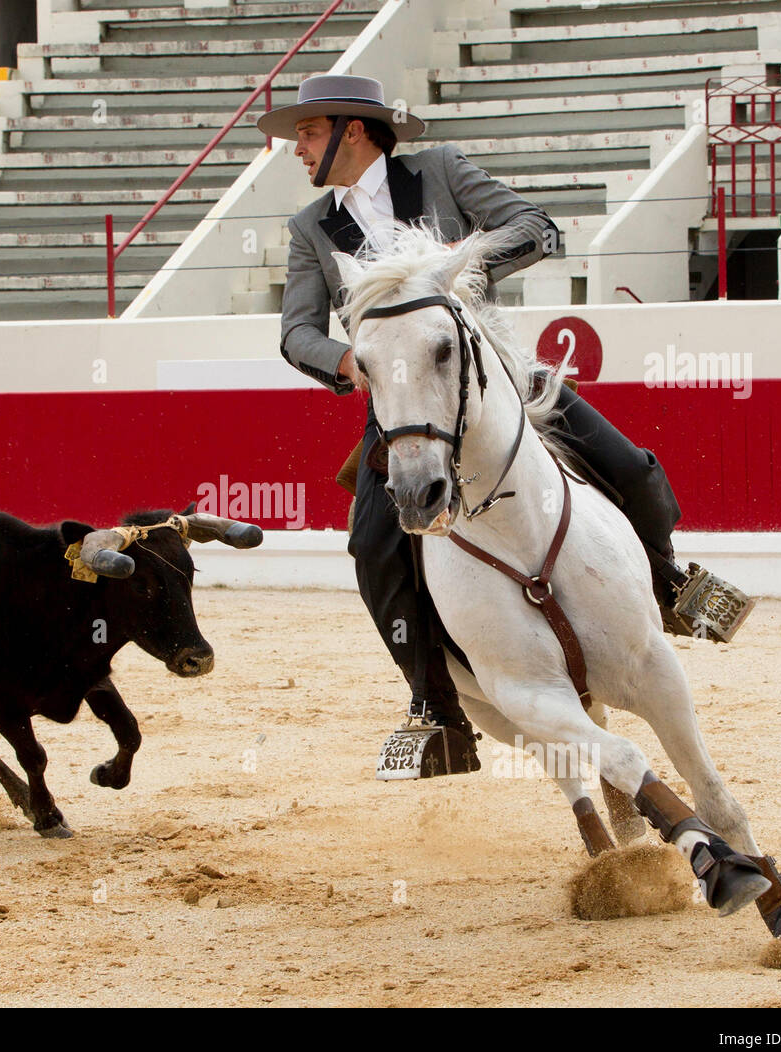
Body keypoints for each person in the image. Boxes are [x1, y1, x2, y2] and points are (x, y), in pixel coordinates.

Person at [257, 75, 752, 751]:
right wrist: (354, 364)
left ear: (354, 129)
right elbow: (295, 333)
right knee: (374, 548)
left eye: (307, 132)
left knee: (631, 469)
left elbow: (536, 227)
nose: (296, 148)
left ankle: (671, 584)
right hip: (405, 408)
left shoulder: (439, 169)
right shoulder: (310, 227)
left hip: (497, 373)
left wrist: (461, 271)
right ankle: (437, 706)